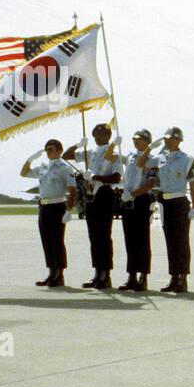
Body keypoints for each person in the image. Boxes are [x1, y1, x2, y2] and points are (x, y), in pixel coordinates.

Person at [141, 126, 194, 293]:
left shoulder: (188, 159)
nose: (167, 141)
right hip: (163, 202)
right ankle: (173, 277)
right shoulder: (160, 158)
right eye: (166, 138)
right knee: (170, 241)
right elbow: (141, 163)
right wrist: (149, 148)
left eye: (171, 138)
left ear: (178, 140)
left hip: (179, 201)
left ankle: (183, 278)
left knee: (181, 241)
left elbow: (193, 184)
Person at [67, 124, 121, 289]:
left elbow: (117, 177)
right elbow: (66, 155)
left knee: (104, 236)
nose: (98, 138)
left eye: (102, 135)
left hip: (104, 194)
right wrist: (78, 144)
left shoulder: (113, 154)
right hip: (90, 196)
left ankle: (106, 275)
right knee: (94, 237)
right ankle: (97, 273)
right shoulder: (91, 153)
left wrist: (96, 176)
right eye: (95, 135)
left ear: (108, 135)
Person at [20, 139, 77, 286]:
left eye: (51, 149)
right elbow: (24, 173)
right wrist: (30, 160)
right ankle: (51, 272)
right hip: (44, 207)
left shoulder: (65, 168)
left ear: (59, 151)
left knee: (57, 241)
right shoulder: (43, 167)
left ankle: (59, 274)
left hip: (57, 206)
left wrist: (69, 210)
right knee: (47, 241)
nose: (48, 152)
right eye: (47, 149)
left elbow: (72, 190)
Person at [118, 129, 155, 292]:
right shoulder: (130, 157)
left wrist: (134, 194)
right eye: (134, 139)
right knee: (130, 240)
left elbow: (151, 182)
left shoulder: (153, 159)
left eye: (139, 139)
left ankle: (143, 277)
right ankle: (131, 276)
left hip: (141, 200)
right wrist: (114, 144)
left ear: (147, 141)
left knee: (142, 240)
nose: (136, 142)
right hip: (128, 200)